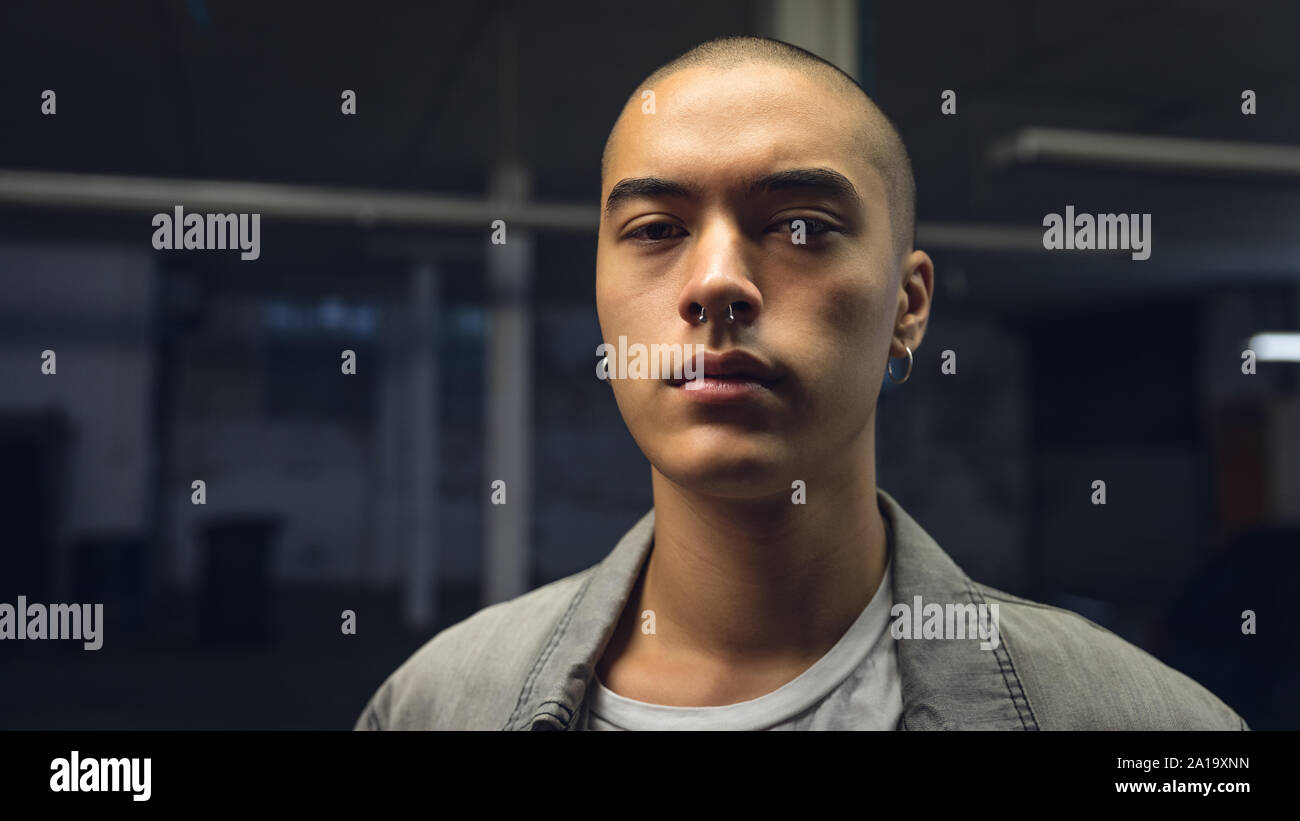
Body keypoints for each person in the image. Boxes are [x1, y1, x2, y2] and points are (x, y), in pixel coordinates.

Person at [355, 35, 1247, 731]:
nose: (715, 283)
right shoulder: (435, 704)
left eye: (804, 228)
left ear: (908, 304)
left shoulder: (1150, 727)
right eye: (658, 228)